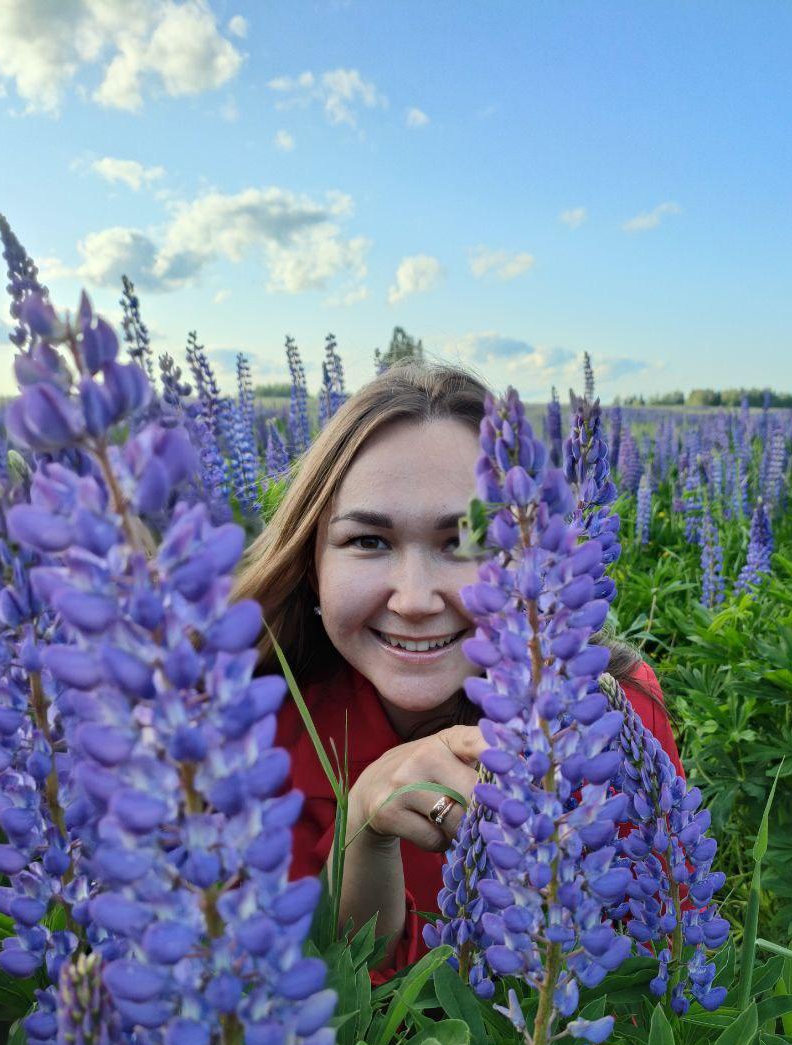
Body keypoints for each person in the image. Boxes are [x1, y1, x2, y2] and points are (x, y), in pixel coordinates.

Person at [234, 361, 685, 983]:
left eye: (465, 543)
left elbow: (669, 960)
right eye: (368, 541)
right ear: (311, 562)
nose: (414, 599)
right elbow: (292, 1017)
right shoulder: (245, 729)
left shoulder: (610, 708)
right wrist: (361, 839)